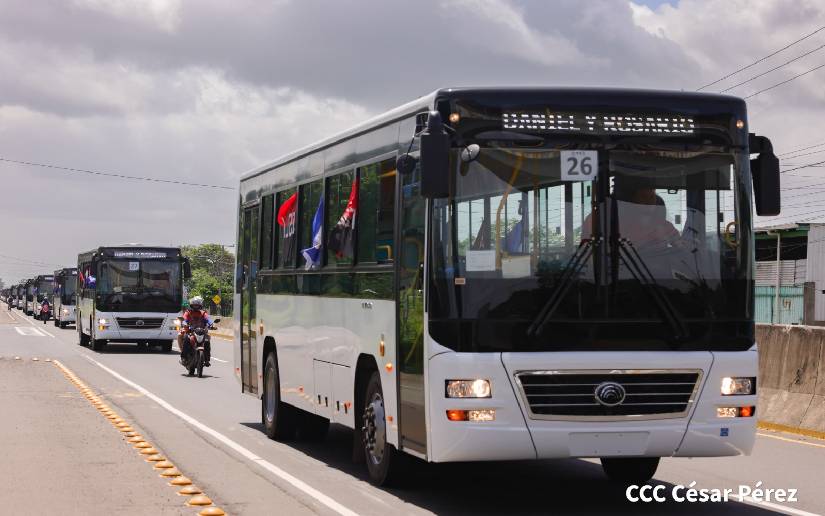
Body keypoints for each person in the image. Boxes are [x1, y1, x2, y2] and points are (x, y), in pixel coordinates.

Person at [178, 296, 213, 367]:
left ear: (200, 305)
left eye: (197, 305)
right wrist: (184, 323)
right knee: (186, 339)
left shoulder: (203, 313)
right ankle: (183, 357)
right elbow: (184, 319)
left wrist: (211, 324)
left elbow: (208, 319)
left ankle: (207, 359)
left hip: (201, 332)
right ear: (192, 305)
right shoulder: (188, 312)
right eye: (194, 305)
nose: (196, 306)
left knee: (207, 341)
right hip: (190, 332)